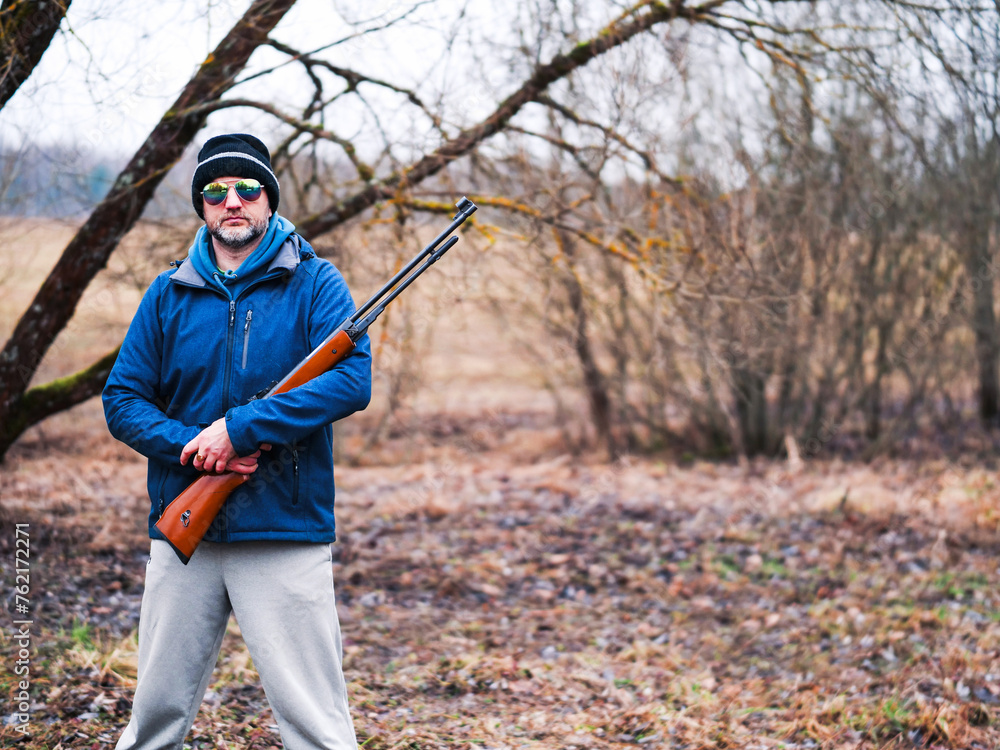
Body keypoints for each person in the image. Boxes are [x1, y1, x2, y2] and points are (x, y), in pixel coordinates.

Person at [103, 132, 371, 750]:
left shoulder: (314, 282)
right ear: (201, 205)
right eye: (216, 191)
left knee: (316, 724)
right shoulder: (167, 292)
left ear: (269, 201)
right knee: (155, 718)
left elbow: (352, 381)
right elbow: (121, 400)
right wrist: (196, 445)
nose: (233, 202)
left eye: (248, 189)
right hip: (185, 531)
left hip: (284, 527)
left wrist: (241, 429)